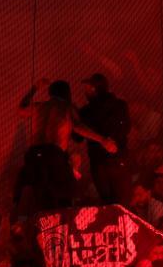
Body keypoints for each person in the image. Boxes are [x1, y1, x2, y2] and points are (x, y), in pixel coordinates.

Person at [15, 79, 117, 214]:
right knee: (66, 195)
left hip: (33, 154)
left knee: (34, 193)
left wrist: (34, 88)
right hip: (53, 154)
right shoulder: (67, 108)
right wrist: (102, 140)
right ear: (67, 94)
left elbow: (21, 109)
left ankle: (26, 222)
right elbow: (79, 127)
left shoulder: (40, 106)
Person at [79, 73, 131, 205]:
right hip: (119, 158)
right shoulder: (120, 105)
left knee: (107, 201)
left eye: (87, 87)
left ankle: (113, 224)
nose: (84, 91)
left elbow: (78, 136)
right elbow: (126, 127)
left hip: (99, 162)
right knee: (123, 202)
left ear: (93, 88)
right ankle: (122, 224)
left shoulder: (86, 111)